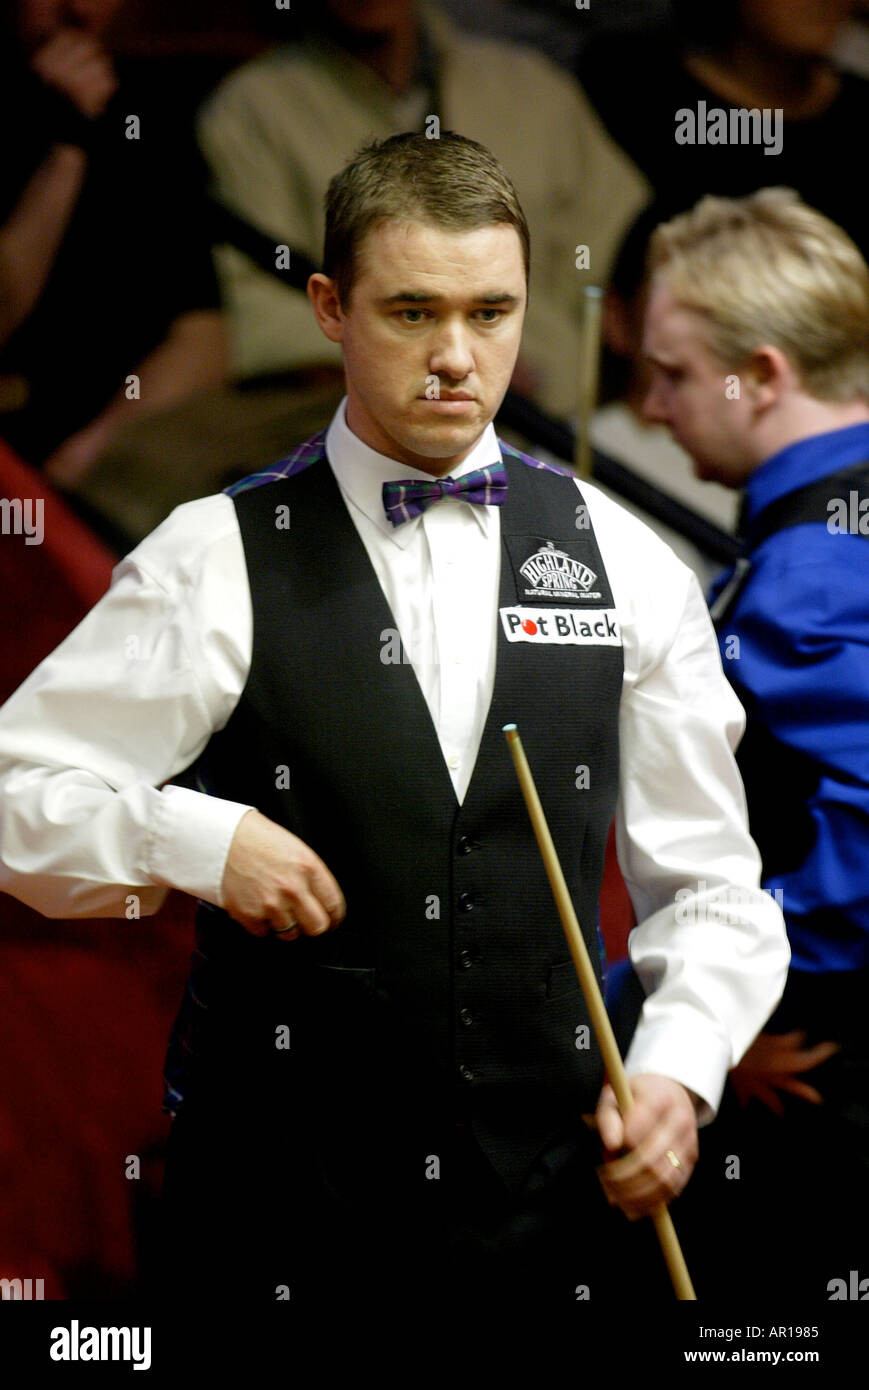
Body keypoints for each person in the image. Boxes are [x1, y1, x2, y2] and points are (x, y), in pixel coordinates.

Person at [0, 133, 787, 1307]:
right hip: (276, 1215)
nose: (456, 357)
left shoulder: (625, 562)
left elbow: (713, 891)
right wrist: (195, 840)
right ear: (328, 306)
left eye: (490, 311)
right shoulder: (215, 555)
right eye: (411, 312)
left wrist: (675, 1072)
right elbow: (17, 800)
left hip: (546, 1213)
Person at [641, 186, 869, 1298]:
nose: (646, 407)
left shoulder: (810, 573)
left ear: (765, 376)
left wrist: (737, 999)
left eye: (673, 373)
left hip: (829, 1077)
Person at [196, 0, 650, 425]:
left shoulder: (525, 83)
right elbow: (257, 311)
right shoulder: (251, 109)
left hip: (574, 422)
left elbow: (628, 255)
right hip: (379, 425)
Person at [0, 0, 228, 485]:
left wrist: (89, 454)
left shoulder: (149, 113)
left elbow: (203, 338)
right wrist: (66, 144)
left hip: (107, 463)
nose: (79, 9)